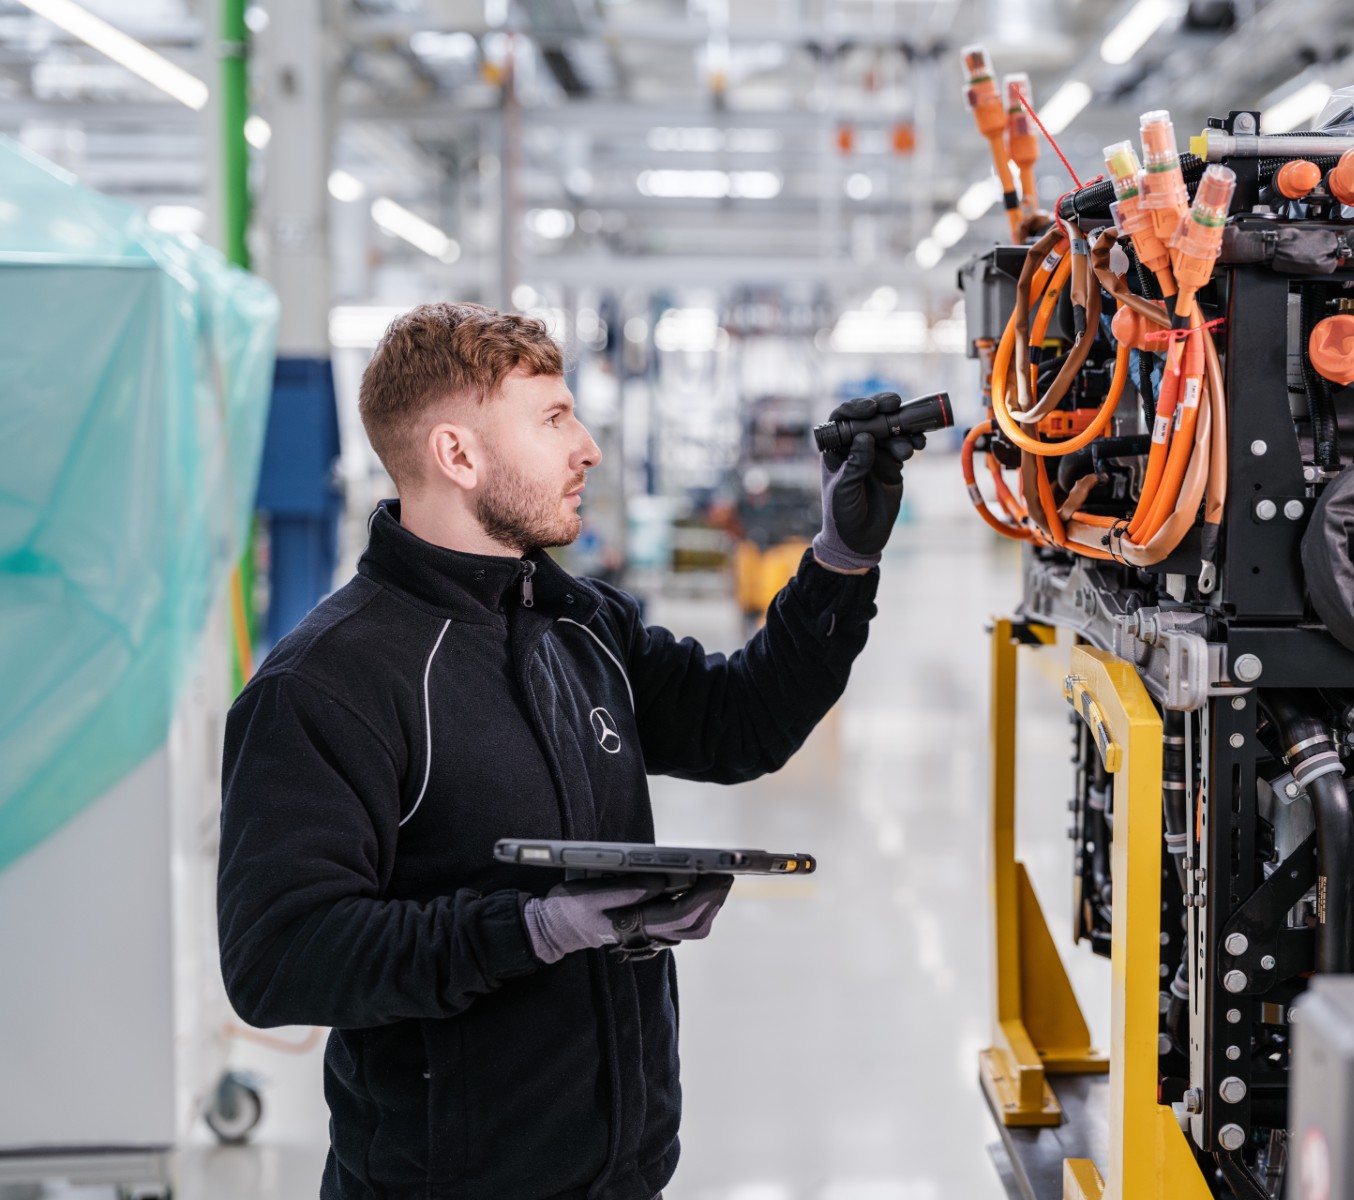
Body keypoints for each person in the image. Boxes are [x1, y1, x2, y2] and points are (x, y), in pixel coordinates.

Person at [215, 302, 921, 1199]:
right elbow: (279, 958)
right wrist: (531, 929)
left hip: (625, 1174)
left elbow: (741, 721)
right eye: (552, 419)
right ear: (457, 456)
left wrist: (841, 559)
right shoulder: (328, 684)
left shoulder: (580, 622)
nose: (587, 446)